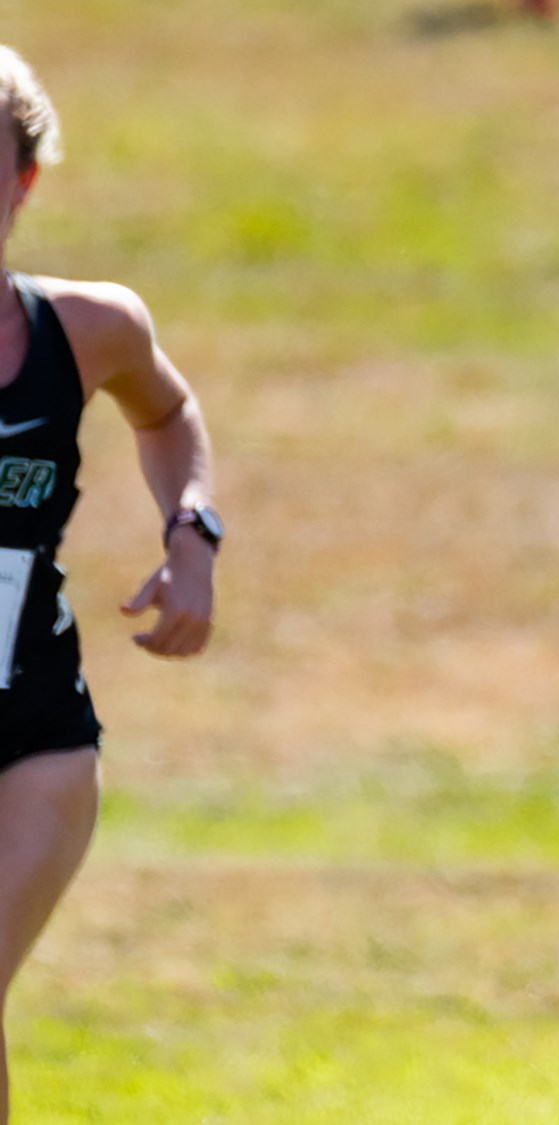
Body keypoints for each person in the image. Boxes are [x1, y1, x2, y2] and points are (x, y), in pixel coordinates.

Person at [0, 45, 221, 1124]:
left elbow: (169, 414)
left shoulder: (89, 330)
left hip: (33, 740)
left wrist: (192, 532)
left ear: (24, 179)